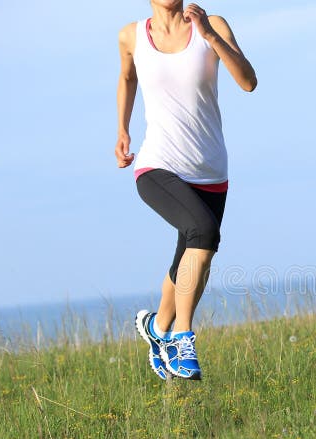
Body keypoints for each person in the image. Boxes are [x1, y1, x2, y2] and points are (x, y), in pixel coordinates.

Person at [115, 1, 257, 380]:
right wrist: (123, 130)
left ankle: (157, 327)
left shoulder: (212, 25)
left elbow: (248, 81)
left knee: (191, 257)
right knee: (204, 234)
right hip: (157, 165)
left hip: (210, 171)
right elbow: (127, 77)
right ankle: (182, 339)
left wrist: (210, 36)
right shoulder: (131, 36)